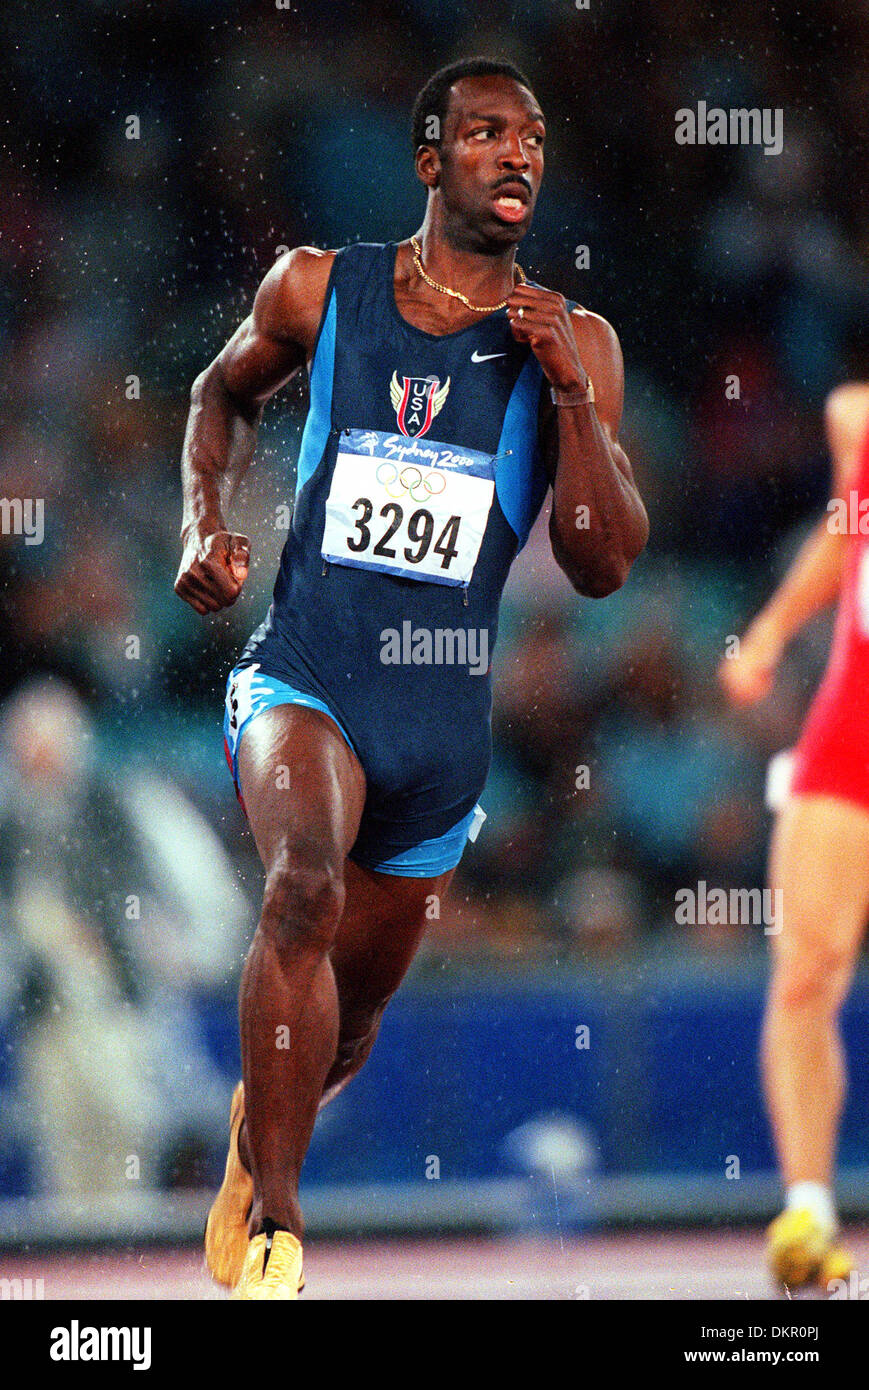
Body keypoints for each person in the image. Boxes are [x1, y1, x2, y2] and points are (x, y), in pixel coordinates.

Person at [175, 56, 647, 1299]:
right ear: (432, 161)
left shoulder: (574, 340)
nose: (518, 155)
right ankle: (276, 1220)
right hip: (306, 674)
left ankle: (254, 1132)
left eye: (533, 138)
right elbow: (216, 395)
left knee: (352, 1019)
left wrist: (567, 402)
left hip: (439, 733)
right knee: (300, 882)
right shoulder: (319, 289)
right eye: (487, 134)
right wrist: (199, 521)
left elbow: (603, 563)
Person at [720, 380, 869, 1290]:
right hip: (852, 725)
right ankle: (806, 1209)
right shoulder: (859, 420)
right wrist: (771, 629)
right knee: (806, 967)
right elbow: (846, 526)